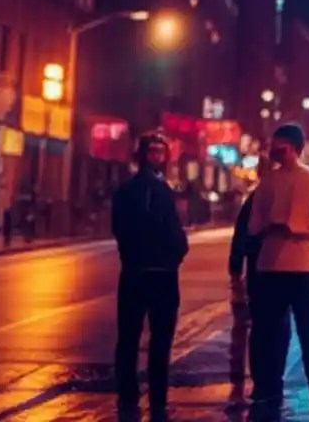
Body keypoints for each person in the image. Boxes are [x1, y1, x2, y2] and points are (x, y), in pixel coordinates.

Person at [248, 123, 309, 414]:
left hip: (302, 265)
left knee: (308, 332)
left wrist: (295, 227)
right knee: (266, 332)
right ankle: (267, 387)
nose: (275, 151)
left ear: (295, 148)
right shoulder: (268, 181)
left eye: (281, 146)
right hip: (271, 264)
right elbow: (255, 220)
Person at [112, 132, 189, 418]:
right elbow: (172, 230)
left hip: (134, 272)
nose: (158, 157)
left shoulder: (126, 190)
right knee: (159, 339)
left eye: (161, 151)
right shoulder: (160, 189)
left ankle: (128, 394)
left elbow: (118, 228)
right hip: (160, 274)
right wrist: (177, 252)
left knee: (129, 337)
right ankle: (157, 397)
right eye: (154, 152)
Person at [227, 184, 261, 404]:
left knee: (243, 329)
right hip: (268, 271)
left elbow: (240, 234)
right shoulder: (263, 196)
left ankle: (239, 382)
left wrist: (236, 268)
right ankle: (261, 382)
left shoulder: (256, 197)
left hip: (256, 270)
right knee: (264, 330)